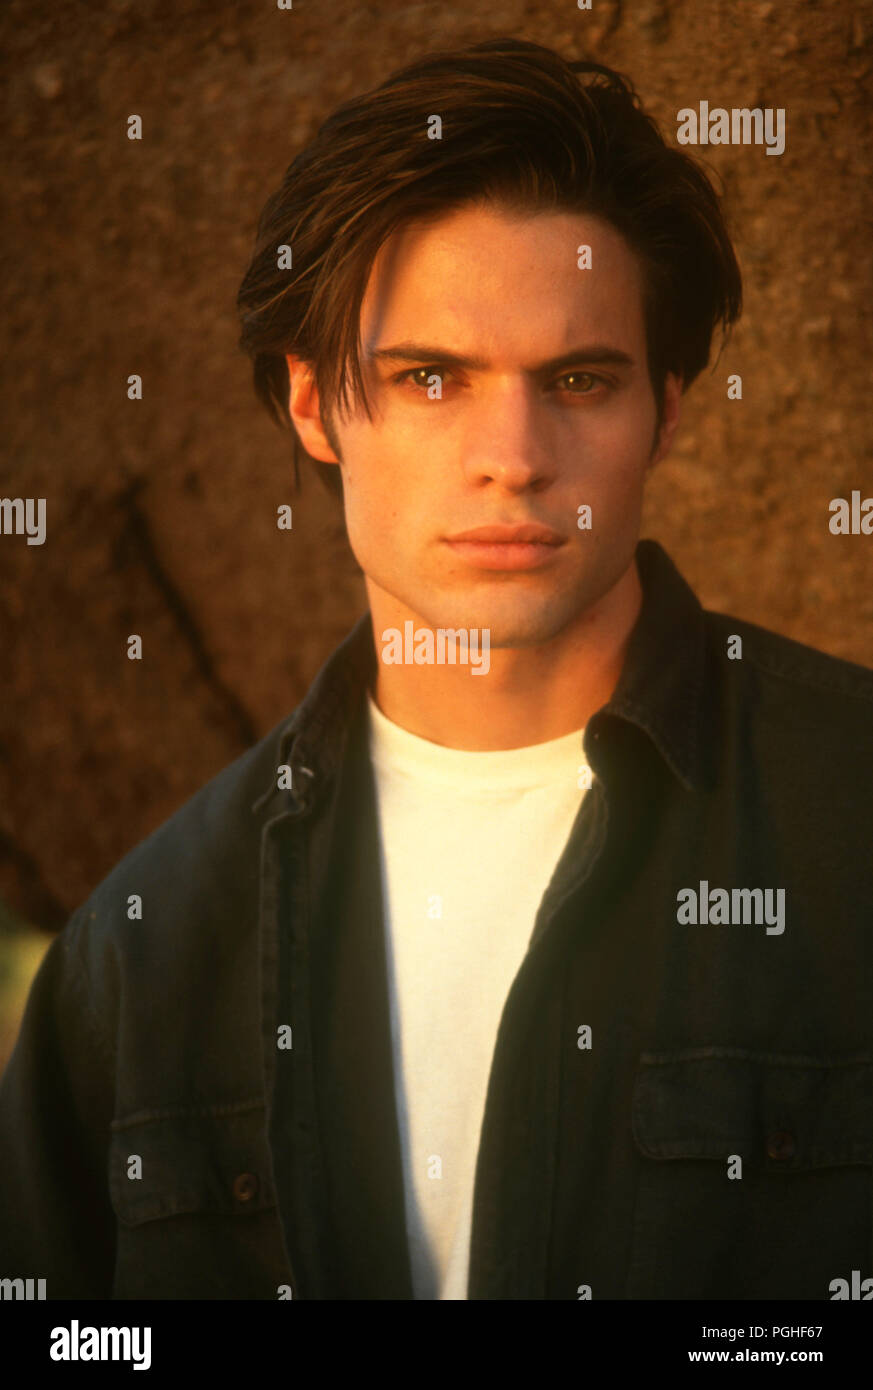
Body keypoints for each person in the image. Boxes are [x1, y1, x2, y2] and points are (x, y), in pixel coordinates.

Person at [1, 36, 870, 1301]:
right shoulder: (143, 952)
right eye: (430, 379)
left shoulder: (853, 816)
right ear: (313, 405)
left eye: (578, 378)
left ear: (667, 412)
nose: (513, 455)